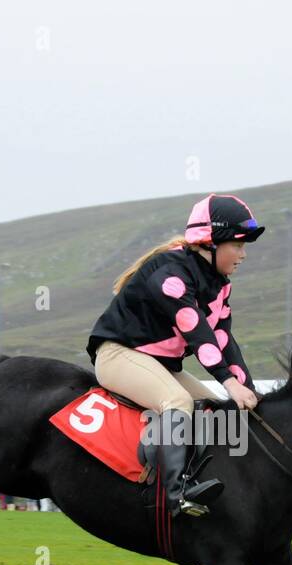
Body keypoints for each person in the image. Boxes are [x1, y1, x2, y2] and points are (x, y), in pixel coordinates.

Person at [85, 193, 263, 518]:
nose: (243, 254)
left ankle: (205, 481)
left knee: (215, 411)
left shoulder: (220, 285)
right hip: (117, 356)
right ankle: (175, 493)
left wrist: (248, 390)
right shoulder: (170, 274)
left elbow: (223, 340)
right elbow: (196, 330)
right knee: (179, 403)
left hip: (159, 365)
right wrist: (228, 381)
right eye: (238, 245)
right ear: (211, 242)